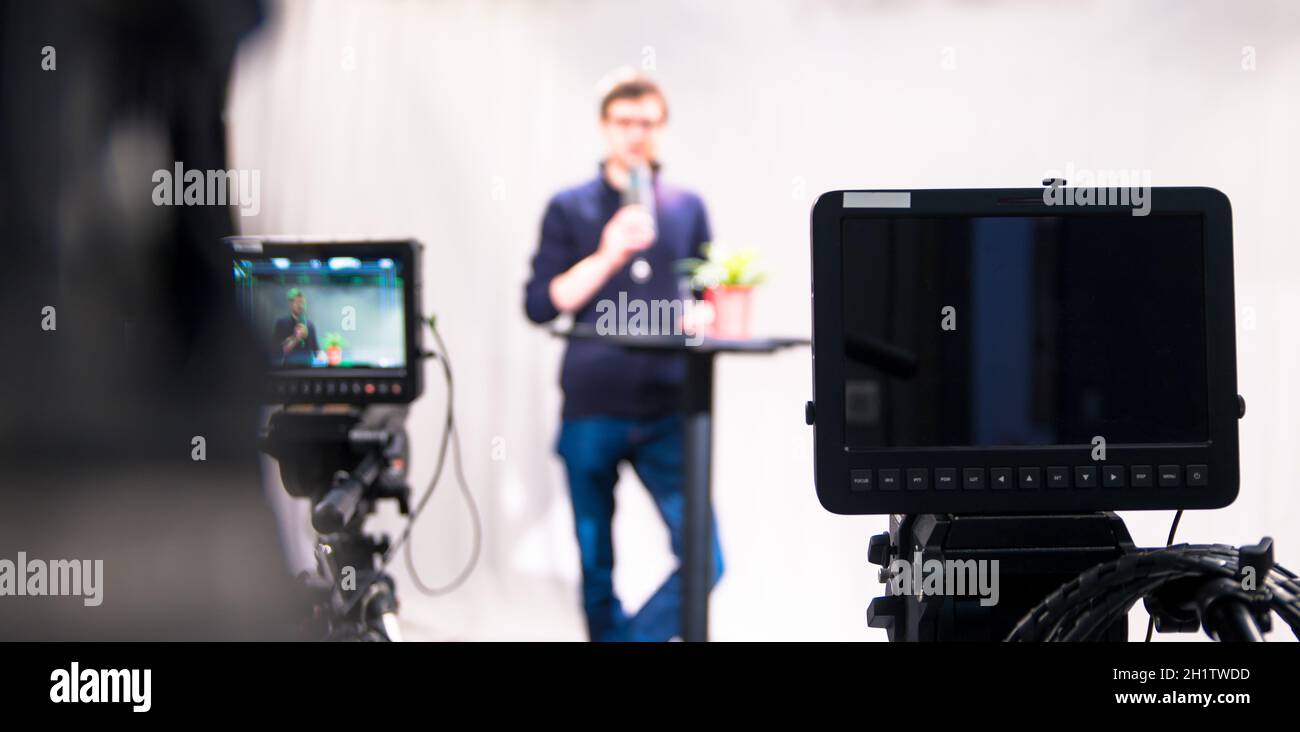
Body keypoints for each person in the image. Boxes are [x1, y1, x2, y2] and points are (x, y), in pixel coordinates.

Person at [523, 71, 724, 641]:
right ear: (604, 127)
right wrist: (608, 253)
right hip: (591, 410)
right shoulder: (570, 208)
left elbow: (705, 294)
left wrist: (703, 314)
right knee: (595, 569)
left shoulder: (686, 208)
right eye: (625, 123)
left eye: (648, 123)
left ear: (661, 129)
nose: (636, 135)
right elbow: (541, 304)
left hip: (668, 411)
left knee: (705, 560)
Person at [272, 288, 320, 366]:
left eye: (303, 302)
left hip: (308, 369)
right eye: (297, 302)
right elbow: (277, 351)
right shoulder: (281, 323)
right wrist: (296, 338)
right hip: (289, 370)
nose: (300, 305)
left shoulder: (310, 325)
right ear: (290, 304)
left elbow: (316, 351)